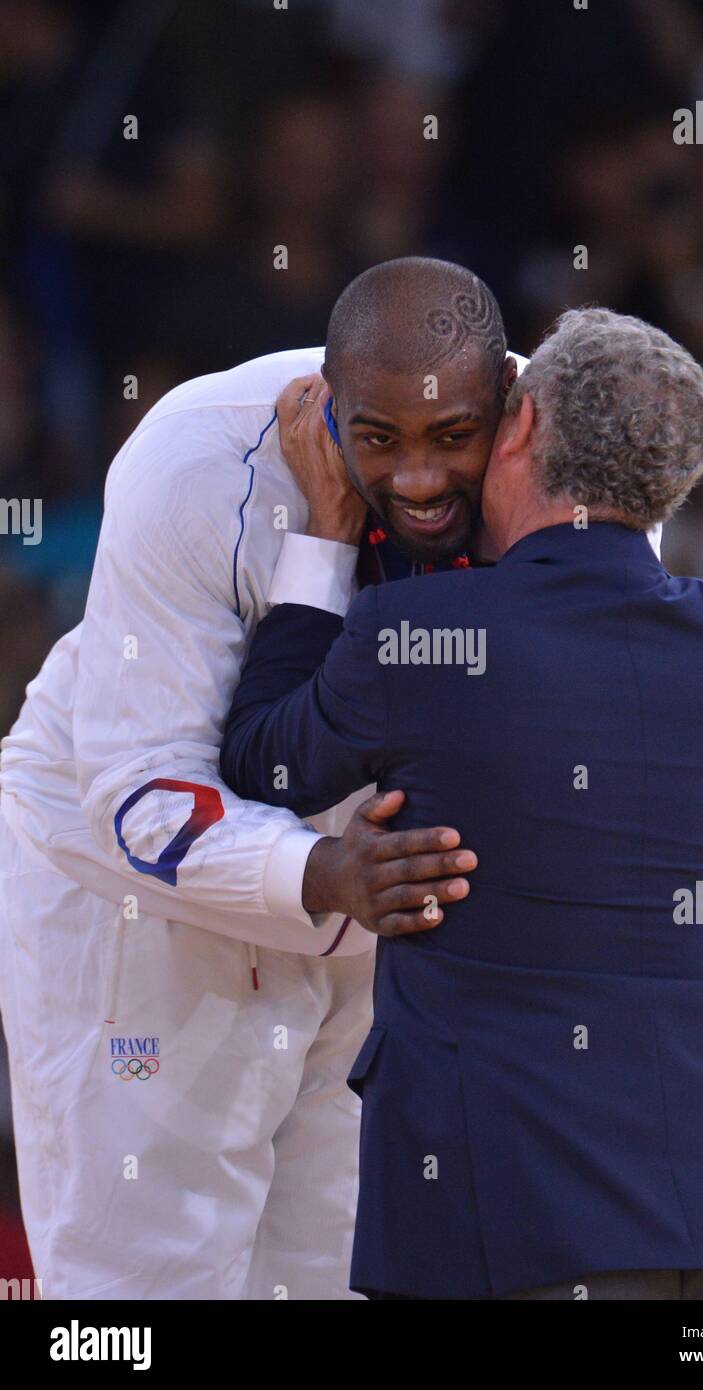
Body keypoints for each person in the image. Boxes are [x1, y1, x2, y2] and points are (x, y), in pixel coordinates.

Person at [221, 307, 703, 1301]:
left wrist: (327, 543)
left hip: (516, 1219)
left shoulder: (419, 632)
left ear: (526, 424)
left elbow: (258, 766)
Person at [0, 257, 525, 1300]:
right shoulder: (195, 466)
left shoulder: (571, 461)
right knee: (144, 1284)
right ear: (326, 409)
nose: (418, 477)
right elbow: (141, 796)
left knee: (337, 1274)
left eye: (451, 438)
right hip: (140, 897)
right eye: (379, 439)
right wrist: (322, 873)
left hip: (374, 901)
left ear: (509, 414)